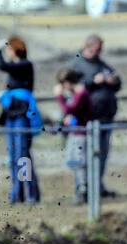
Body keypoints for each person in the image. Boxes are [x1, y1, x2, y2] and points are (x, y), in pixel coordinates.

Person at [66, 34, 122, 199]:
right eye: (96, 49)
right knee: (82, 155)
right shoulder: (76, 64)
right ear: (88, 46)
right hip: (86, 120)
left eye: (100, 50)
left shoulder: (101, 64)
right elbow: (71, 87)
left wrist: (113, 80)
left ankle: (96, 186)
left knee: (101, 154)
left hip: (106, 117)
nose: (98, 52)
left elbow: (118, 82)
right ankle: (82, 189)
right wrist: (93, 81)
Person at [0, 38, 40, 204]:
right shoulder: (17, 68)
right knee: (14, 156)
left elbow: (2, 66)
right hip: (11, 115)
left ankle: (30, 194)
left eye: (9, 49)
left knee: (22, 156)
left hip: (21, 115)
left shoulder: (25, 65)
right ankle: (17, 194)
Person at [55, 69, 93, 203]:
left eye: (63, 84)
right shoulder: (75, 94)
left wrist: (59, 97)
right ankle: (80, 188)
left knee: (80, 162)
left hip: (81, 134)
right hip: (74, 132)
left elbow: (69, 109)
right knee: (73, 161)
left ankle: (83, 191)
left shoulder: (81, 93)